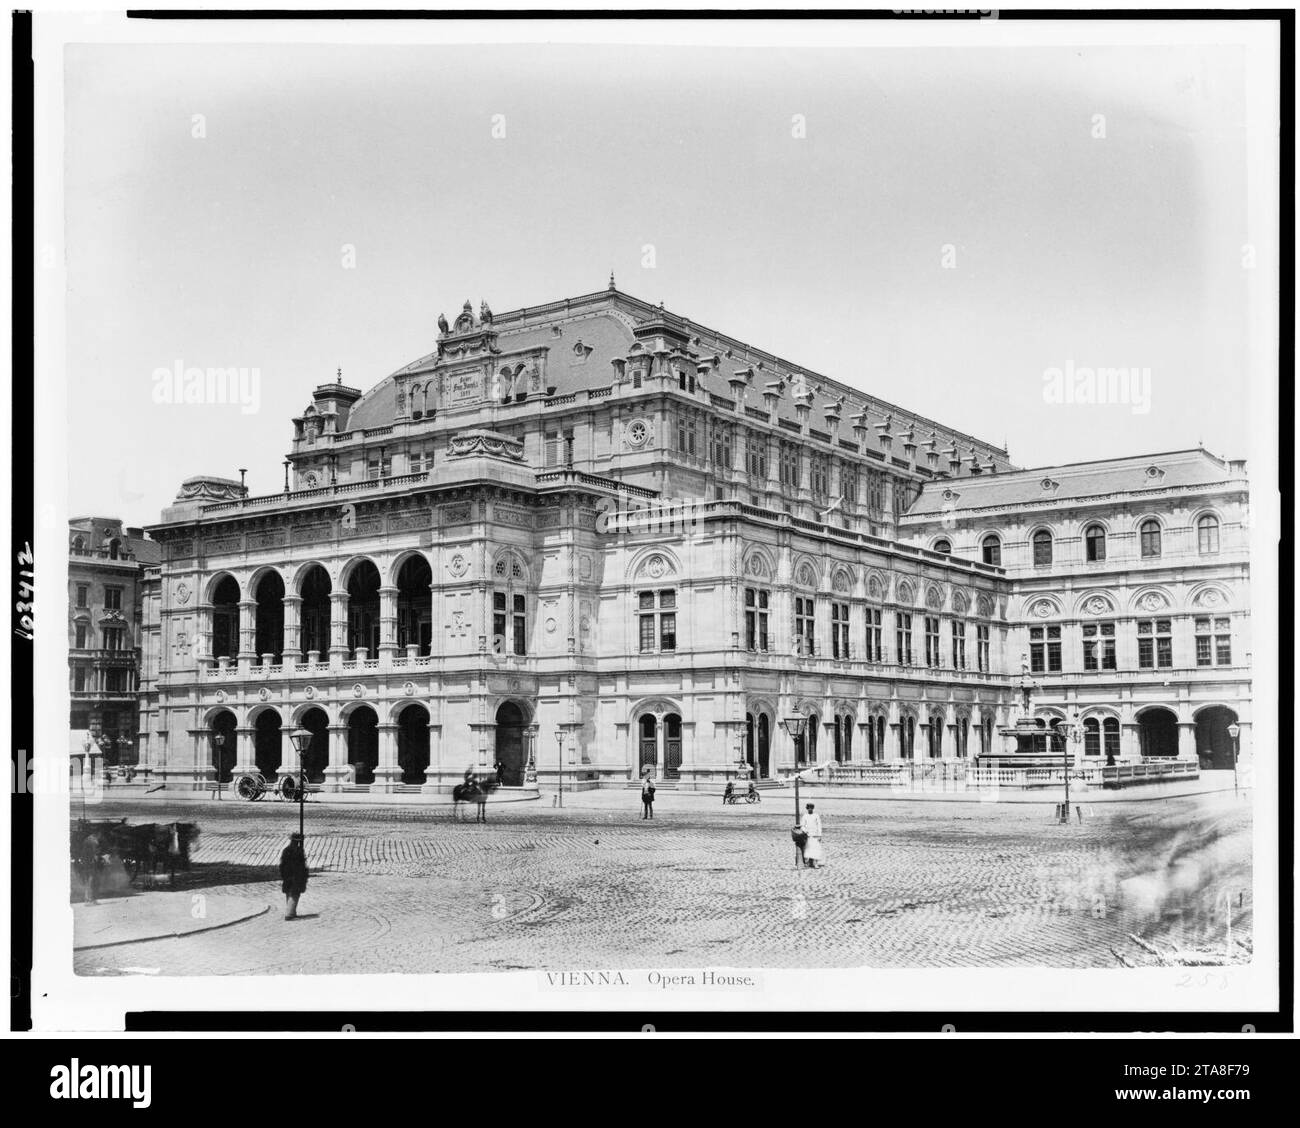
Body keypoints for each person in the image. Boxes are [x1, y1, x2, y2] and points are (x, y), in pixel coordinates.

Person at [279, 833, 309, 920]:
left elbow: (282, 864)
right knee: (295, 894)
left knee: (289, 892)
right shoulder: (299, 851)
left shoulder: (286, 850)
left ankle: (292, 911)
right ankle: (290, 914)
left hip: (287, 874)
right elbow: (301, 865)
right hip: (296, 875)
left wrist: (283, 874)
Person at [800, 803, 824, 869]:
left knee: (816, 849)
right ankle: (808, 863)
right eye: (809, 808)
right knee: (808, 849)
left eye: (811, 808)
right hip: (808, 835)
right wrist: (806, 831)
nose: (810, 809)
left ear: (813, 808)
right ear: (807, 808)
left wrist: (819, 835)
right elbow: (802, 826)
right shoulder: (805, 816)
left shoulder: (816, 815)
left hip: (815, 835)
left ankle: (815, 863)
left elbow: (819, 825)